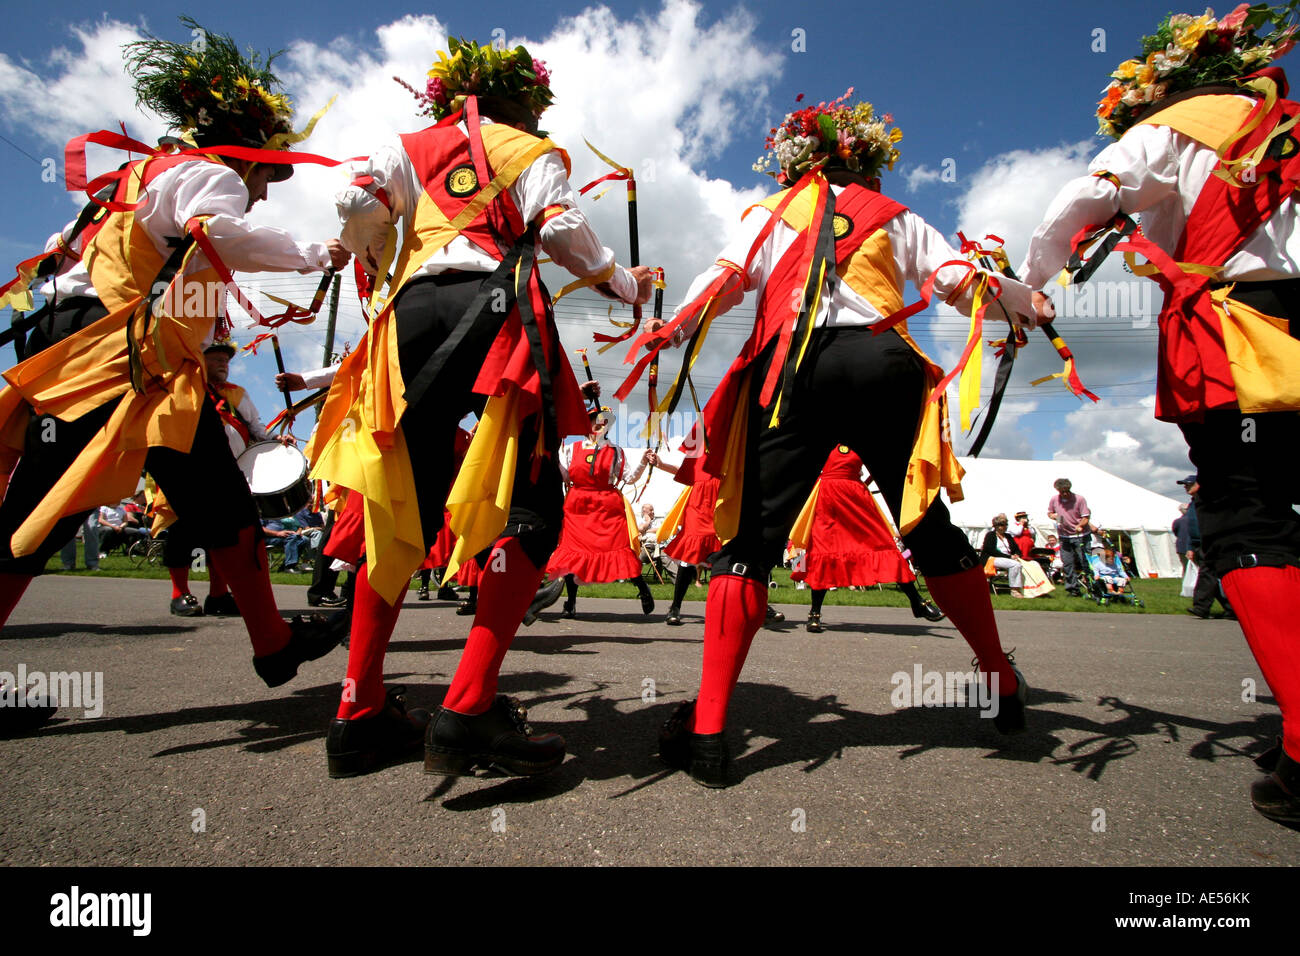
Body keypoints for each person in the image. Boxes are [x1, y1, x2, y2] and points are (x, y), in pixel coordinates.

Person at [631, 90, 1035, 787]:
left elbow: (725, 280)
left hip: (794, 369)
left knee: (751, 543)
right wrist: (1012, 299)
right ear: (870, 167)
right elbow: (953, 281)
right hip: (882, 364)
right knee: (927, 523)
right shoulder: (893, 215)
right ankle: (997, 676)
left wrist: (676, 323)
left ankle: (708, 732)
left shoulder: (770, 215)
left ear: (795, 167)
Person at [311, 38, 653, 778]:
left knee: (402, 504)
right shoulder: (532, 150)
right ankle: (467, 707)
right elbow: (560, 230)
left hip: (410, 317)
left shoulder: (407, 145)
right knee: (533, 506)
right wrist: (624, 284)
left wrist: (372, 262)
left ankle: (357, 711)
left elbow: (353, 202)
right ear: (524, 104)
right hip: (495, 306)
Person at [0, 21, 350, 687]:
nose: (267, 189)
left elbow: (55, 261)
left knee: (217, 498)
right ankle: (273, 642)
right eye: (269, 174)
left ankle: (274, 642)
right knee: (40, 514)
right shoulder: (209, 176)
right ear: (245, 156)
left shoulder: (124, 183)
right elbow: (219, 234)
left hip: (113, 355)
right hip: (117, 358)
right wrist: (315, 254)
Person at [1020, 5, 1300, 825]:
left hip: (1246, 324)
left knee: (1245, 509)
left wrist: (1039, 283)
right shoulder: (1283, 121)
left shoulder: (1173, 128)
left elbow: (1087, 195)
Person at [789, 446, 945, 628]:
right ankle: (814, 613)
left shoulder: (862, 437)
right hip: (827, 500)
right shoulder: (822, 435)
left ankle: (917, 602)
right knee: (824, 554)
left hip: (856, 499)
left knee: (884, 547)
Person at [543, 406, 655, 619]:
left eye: (603, 421)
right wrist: (553, 456)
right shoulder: (572, 449)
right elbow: (565, 476)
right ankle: (571, 603)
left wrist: (642, 461)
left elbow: (629, 478)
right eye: (594, 420)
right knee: (572, 554)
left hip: (607, 508)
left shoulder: (615, 451)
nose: (598, 425)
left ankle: (642, 588)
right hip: (577, 507)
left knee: (619, 549)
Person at [1180, 475, 1235, 620]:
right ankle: (1231, 608)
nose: (1186, 487)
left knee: (1207, 573)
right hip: (1200, 543)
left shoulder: (1208, 500)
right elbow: (1192, 528)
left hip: (1211, 542)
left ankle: (1201, 607)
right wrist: (1190, 547)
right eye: (1185, 485)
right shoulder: (1193, 503)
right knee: (1212, 576)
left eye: (1189, 484)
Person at [1047, 478, 1093, 596]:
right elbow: (1050, 513)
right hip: (1064, 536)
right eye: (1062, 491)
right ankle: (1073, 589)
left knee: (1085, 562)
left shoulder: (1079, 499)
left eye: (1067, 491)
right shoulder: (1054, 499)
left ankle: (1092, 587)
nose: (1065, 493)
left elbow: (1086, 517)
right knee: (1067, 563)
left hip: (1080, 535)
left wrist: (1080, 525)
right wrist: (1055, 517)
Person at [980, 513, 1026, 598]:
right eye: (1002, 525)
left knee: (1033, 564)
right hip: (993, 559)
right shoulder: (990, 535)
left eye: (1006, 524)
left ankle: (1034, 589)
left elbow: (1016, 549)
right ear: (996, 526)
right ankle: (1014, 590)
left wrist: (1017, 555)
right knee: (1015, 565)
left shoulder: (1008, 536)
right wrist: (1009, 557)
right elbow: (990, 550)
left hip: (1008, 558)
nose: (1005, 526)